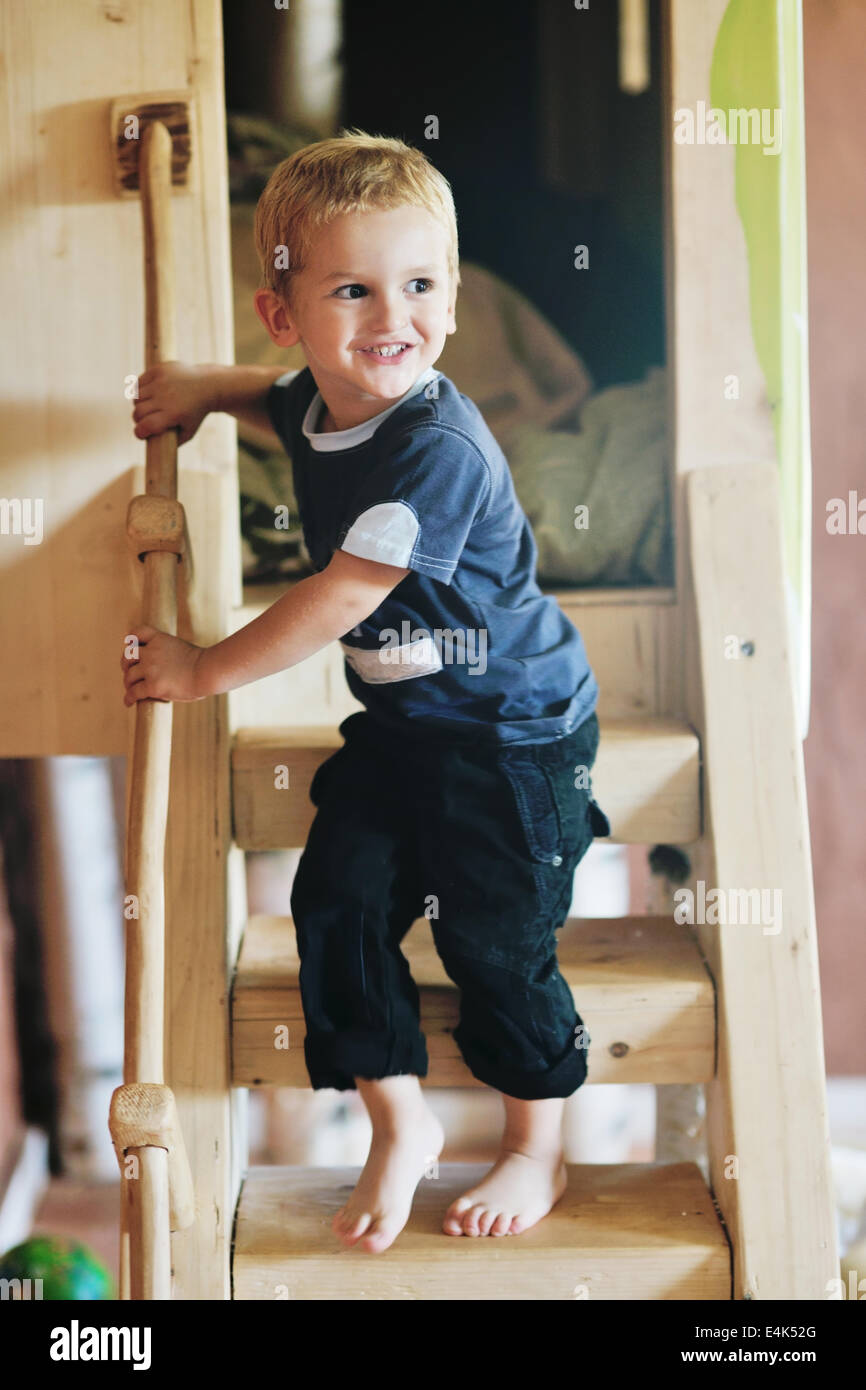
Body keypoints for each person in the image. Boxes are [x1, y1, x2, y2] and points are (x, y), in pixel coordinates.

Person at [121, 129, 611, 1255]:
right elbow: (285, 401)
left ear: (452, 295)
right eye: (353, 290)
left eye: (421, 285)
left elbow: (342, 595)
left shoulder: (439, 447)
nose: (395, 315)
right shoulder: (320, 396)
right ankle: (399, 1120)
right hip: (405, 724)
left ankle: (536, 1141)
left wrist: (203, 668)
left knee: (494, 942)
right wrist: (208, 391)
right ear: (283, 313)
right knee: (334, 904)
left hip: (513, 732)